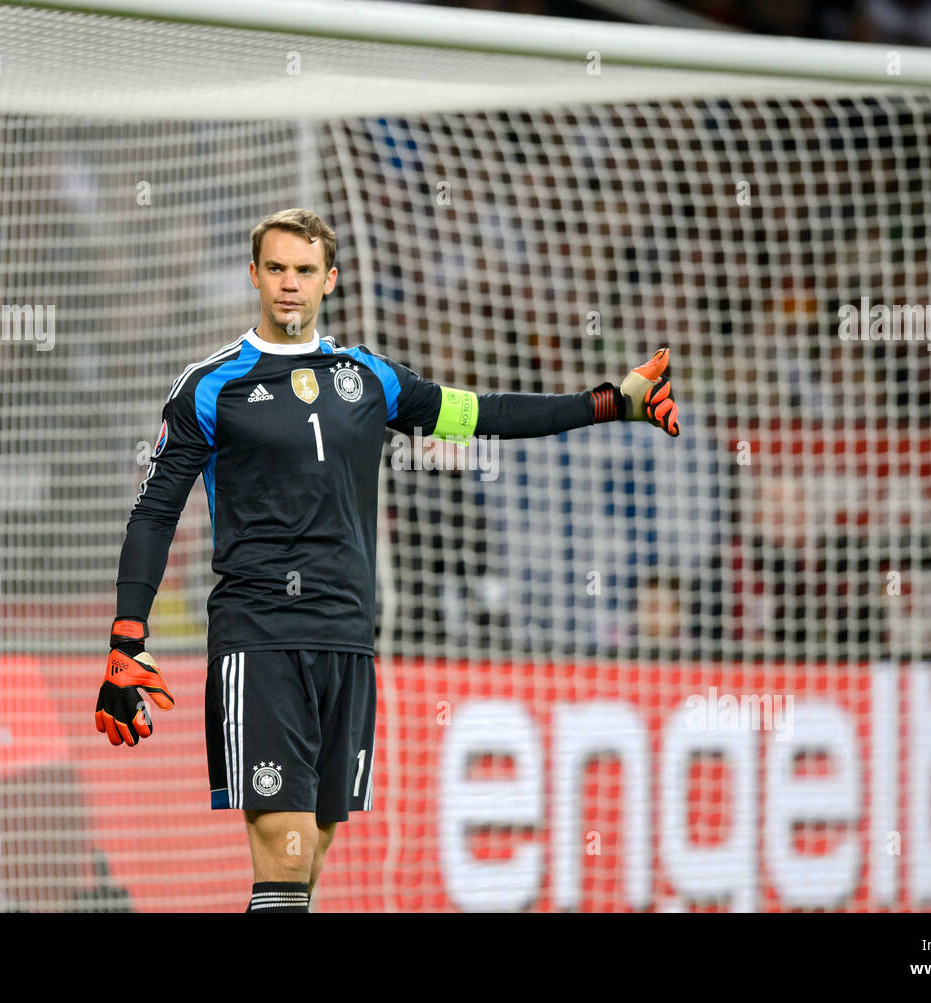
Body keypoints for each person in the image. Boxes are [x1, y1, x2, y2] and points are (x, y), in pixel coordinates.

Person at [93, 208, 681, 911]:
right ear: (254, 275)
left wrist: (609, 403)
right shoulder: (210, 386)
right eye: (276, 269)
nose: (289, 284)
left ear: (330, 280)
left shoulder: (368, 377)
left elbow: (483, 413)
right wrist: (129, 632)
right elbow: (156, 509)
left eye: (304, 271)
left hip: (347, 636)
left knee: (307, 861)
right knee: (285, 851)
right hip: (261, 637)